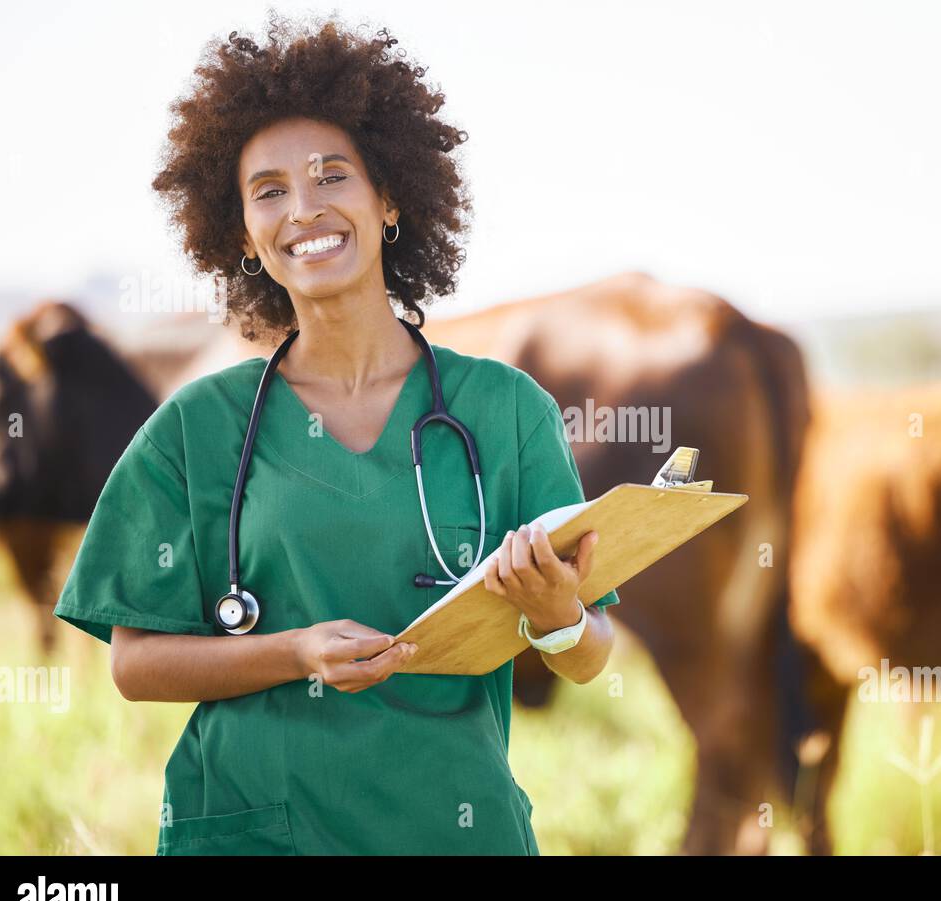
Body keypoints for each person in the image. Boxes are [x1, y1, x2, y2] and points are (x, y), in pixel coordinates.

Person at [52, 15, 619, 855]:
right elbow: (134, 665)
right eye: (269, 190)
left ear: (389, 196)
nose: (303, 209)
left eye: (331, 176)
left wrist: (557, 614)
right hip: (253, 833)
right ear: (243, 234)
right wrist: (295, 652)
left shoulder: (504, 412)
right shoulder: (196, 429)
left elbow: (590, 655)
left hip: (452, 827)